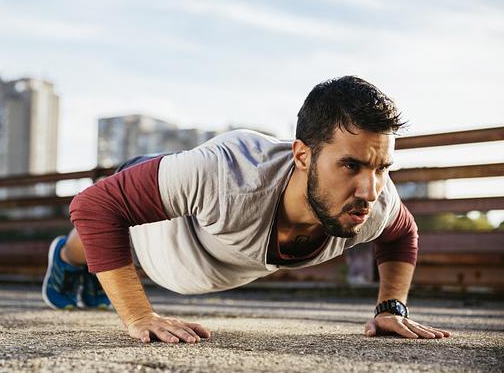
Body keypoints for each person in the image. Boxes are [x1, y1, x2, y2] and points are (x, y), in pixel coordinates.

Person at [42, 76, 451, 344]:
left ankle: (95, 270)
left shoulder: (375, 202)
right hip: (169, 226)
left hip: (204, 228)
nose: (370, 188)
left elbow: (402, 233)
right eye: (351, 165)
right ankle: (65, 260)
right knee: (109, 232)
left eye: (381, 167)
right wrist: (138, 314)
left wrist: (390, 307)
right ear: (302, 155)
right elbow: (95, 205)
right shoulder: (228, 175)